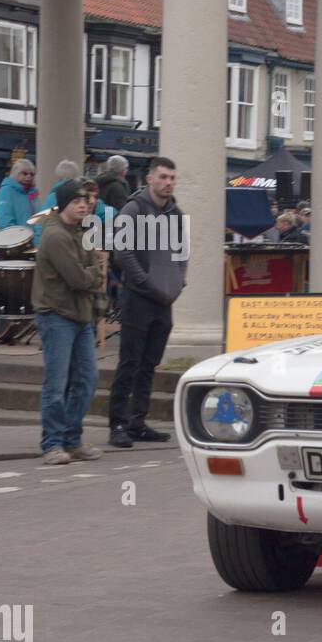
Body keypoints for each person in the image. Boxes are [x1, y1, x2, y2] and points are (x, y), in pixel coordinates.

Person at [108, 157, 186, 448]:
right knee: (129, 362)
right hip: (137, 298)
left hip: (164, 300)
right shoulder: (134, 209)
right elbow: (123, 254)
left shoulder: (176, 214)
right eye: (163, 177)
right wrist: (145, 283)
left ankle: (137, 422)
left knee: (150, 363)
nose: (168, 183)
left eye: (172, 178)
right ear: (150, 179)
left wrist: (178, 282)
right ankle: (117, 424)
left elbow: (182, 253)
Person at [32, 180, 104, 465]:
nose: (84, 205)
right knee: (57, 384)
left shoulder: (81, 231)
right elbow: (79, 278)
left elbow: (94, 271)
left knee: (87, 379)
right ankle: (52, 444)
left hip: (79, 316)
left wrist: (91, 274)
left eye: (86, 201)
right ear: (64, 205)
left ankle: (72, 440)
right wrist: (92, 274)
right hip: (56, 315)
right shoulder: (56, 236)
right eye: (76, 202)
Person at [0, 159, 40, 232]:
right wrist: (18, 236)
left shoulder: (33, 192)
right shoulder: (5, 191)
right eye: (25, 173)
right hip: (13, 237)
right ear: (16, 173)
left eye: (32, 174)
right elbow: (4, 219)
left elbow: (38, 216)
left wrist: (38, 235)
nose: (29, 176)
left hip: (33, 237)